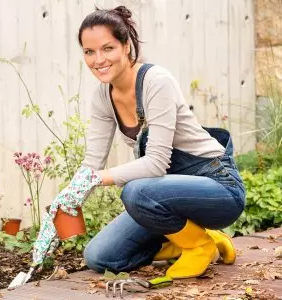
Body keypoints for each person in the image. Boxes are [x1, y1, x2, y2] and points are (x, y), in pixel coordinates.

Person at [31, 5, 245, 280]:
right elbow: (91, 163)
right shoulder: (102, 97)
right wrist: (62, 207)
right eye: (89, 52)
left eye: (107, 48)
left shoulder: (156, 81)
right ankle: (199, 239)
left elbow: (155, 164)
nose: (98, 59)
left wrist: (96, 179)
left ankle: (198, 246)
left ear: (125, 45)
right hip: (165, 195)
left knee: (135, 192)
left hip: (217, 186)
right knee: (100, 257)